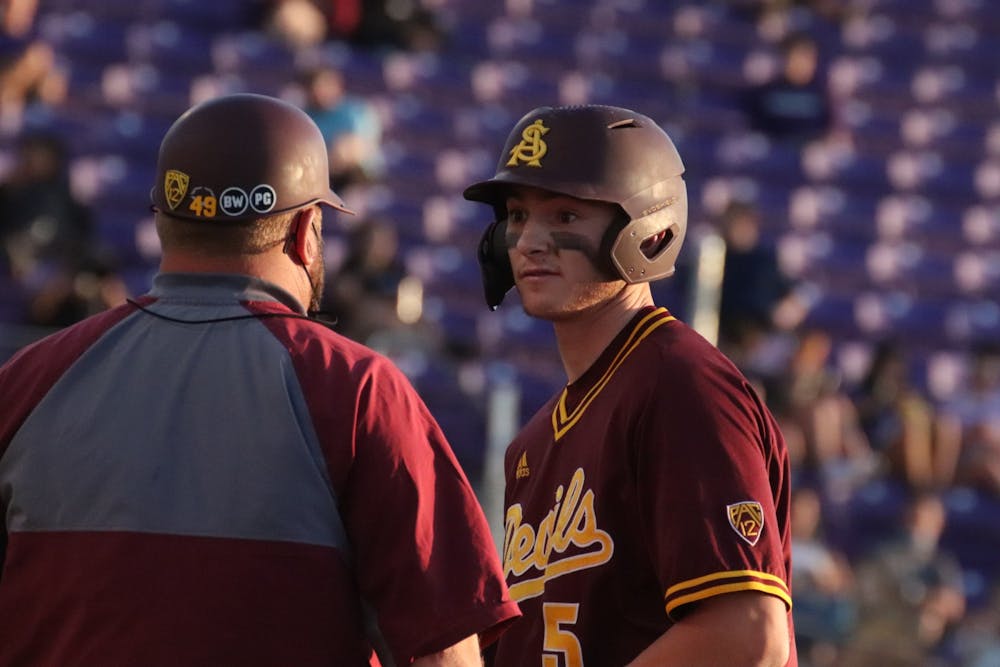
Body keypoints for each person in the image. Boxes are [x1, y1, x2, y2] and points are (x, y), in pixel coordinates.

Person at [0, 93, 519, 666]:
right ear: (306, 233)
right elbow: (444, 655)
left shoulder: (27, 379)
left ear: (164, 223)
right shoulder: (357, 390)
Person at [464, 104, 796, 666]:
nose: (527, 241)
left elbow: (747, 635)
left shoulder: (682, 387)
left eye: (565, 216)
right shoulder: (532, 443)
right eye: (517, 215)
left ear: (647, 230)